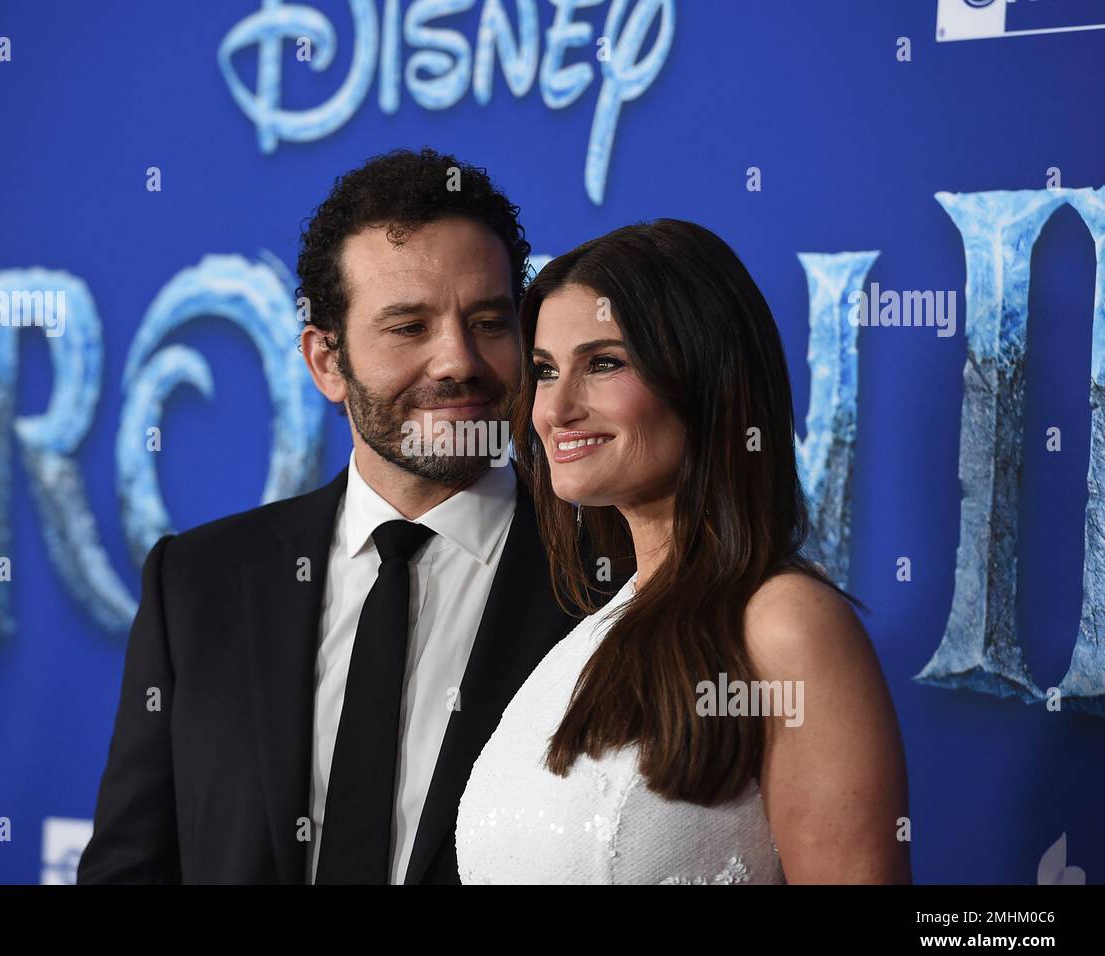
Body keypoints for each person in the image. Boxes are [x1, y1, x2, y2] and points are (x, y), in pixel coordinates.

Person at [77, 147, 589, 884]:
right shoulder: (198, 584)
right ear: (326, 360)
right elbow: (129, 869)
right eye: (408, 327)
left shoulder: (609, 582)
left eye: (487, 321)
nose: (457, 361)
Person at [456, 219, 912, 884]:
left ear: (703, 377)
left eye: (604, 363)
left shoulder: (786, 624)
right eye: (546, 371)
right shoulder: (584, 636)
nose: (556, 408)